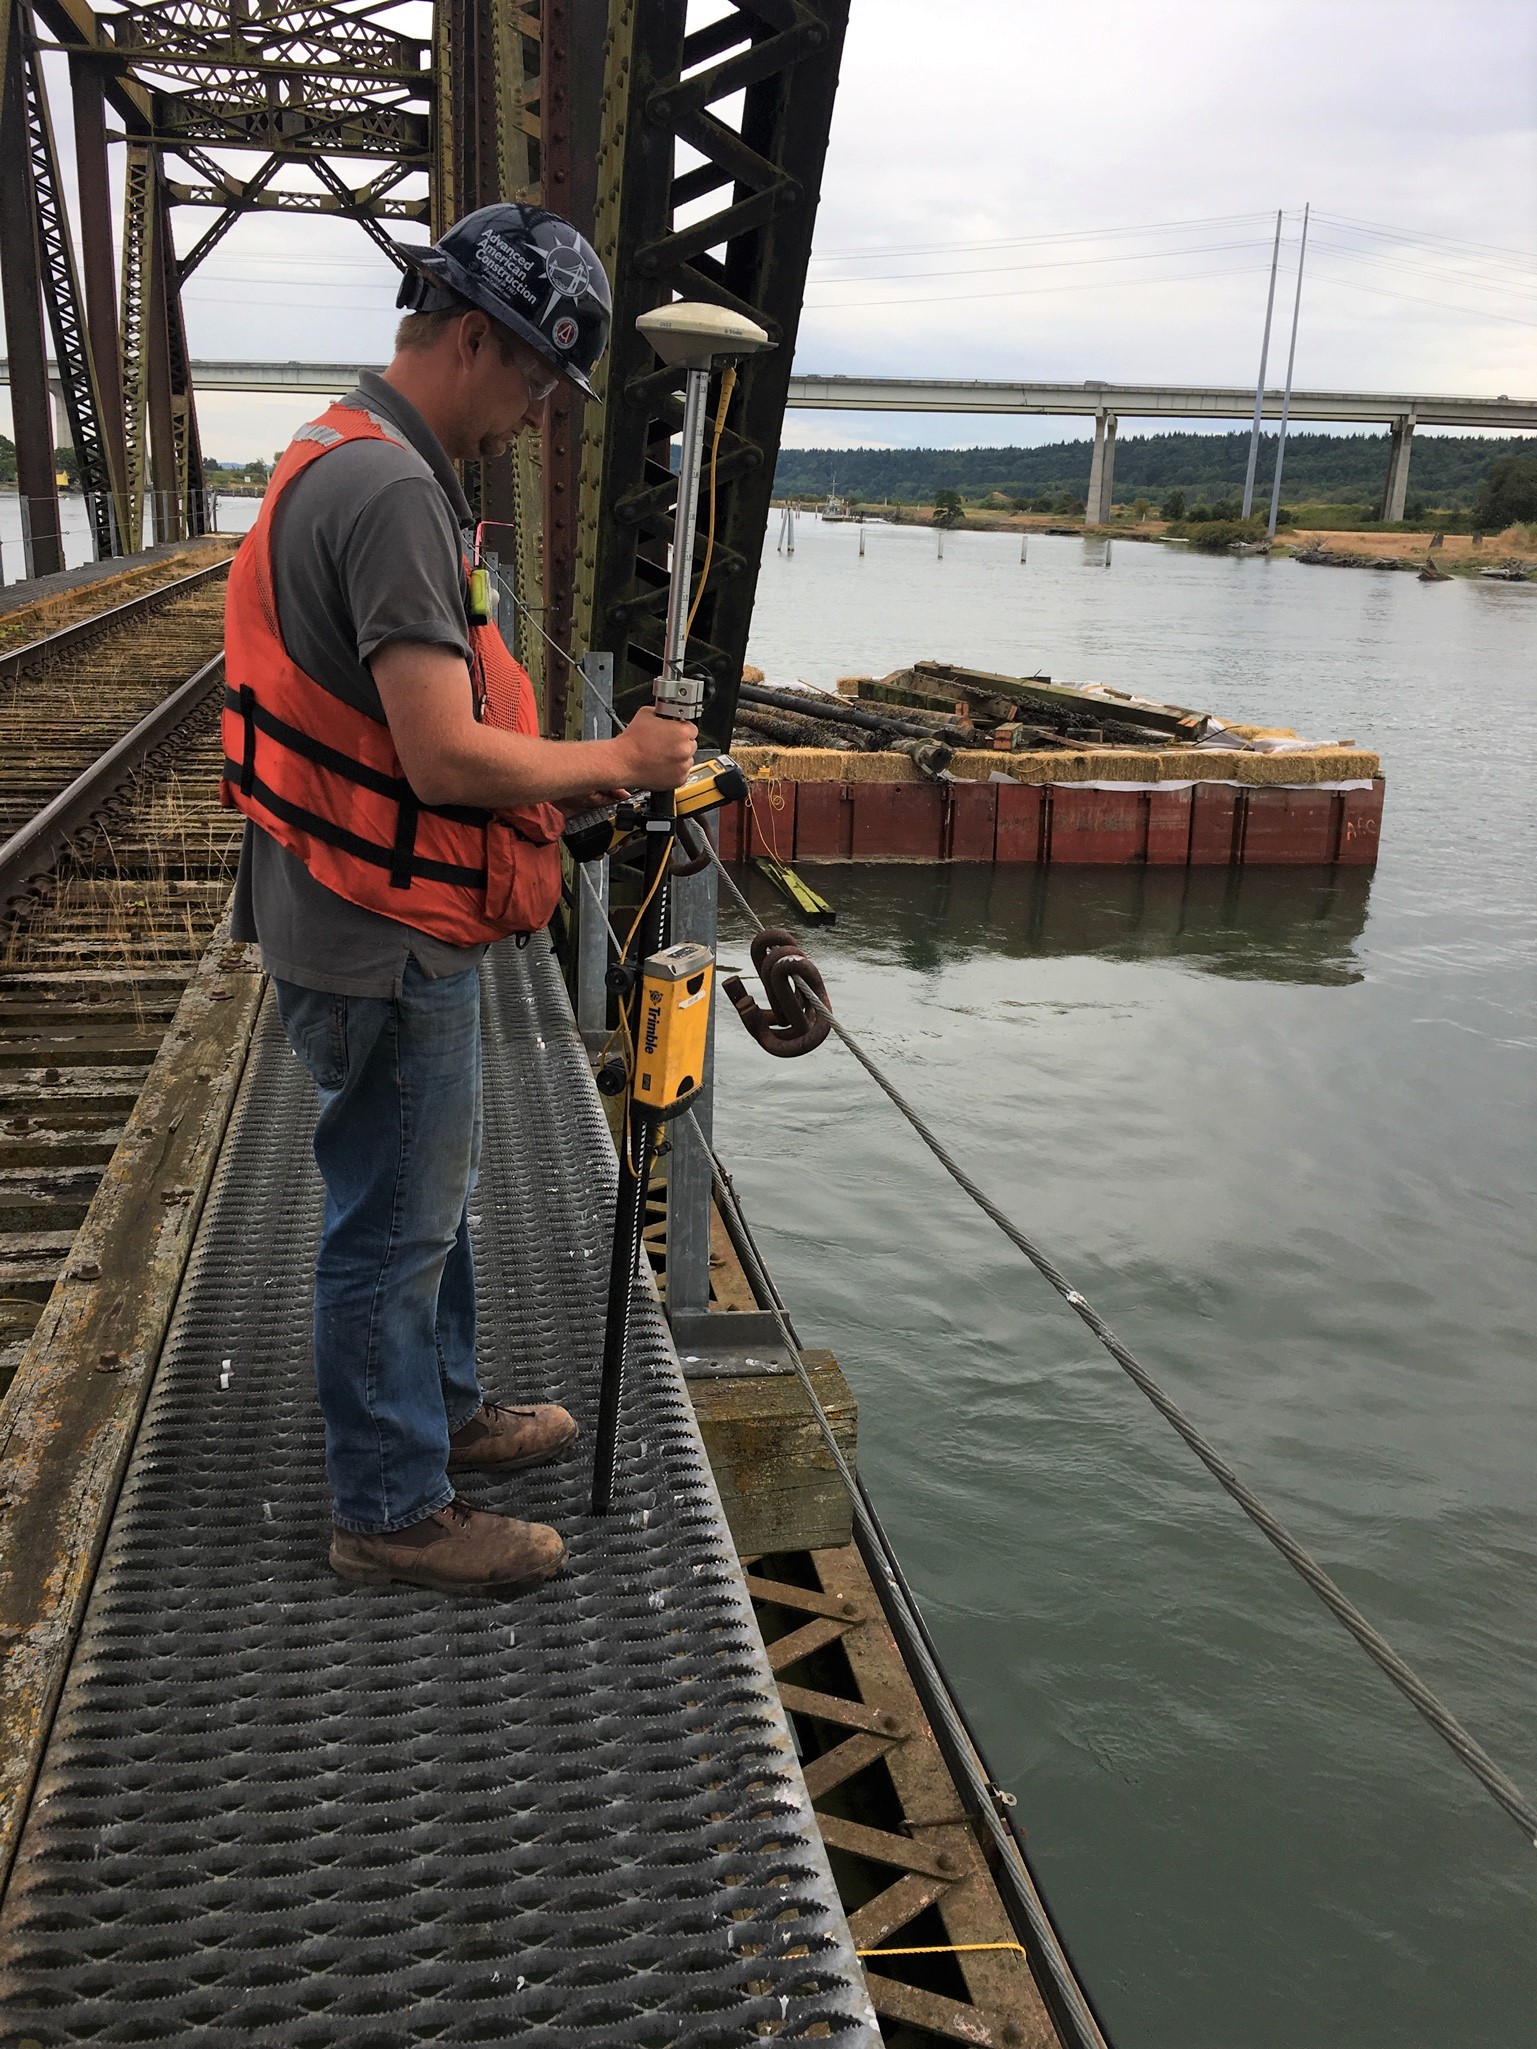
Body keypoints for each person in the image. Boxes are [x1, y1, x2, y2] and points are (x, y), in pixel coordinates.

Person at [224, 204, 696, 1594]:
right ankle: (390, 1507)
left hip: (367, 906)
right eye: (539, 377)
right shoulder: (386, 492)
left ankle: (443, 1406)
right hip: (379, 928)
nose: (542, 413)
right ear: (476, 337)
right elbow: (438, 755)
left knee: (425, 1188)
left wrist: (574, 794)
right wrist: (619, 763)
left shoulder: (351, 454)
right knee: (395, 1214)